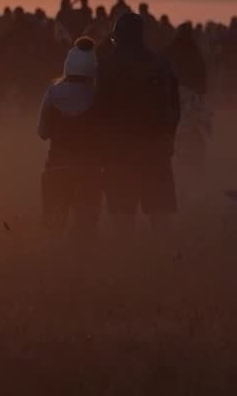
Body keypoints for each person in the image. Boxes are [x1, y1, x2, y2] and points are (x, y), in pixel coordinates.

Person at [94, 12, 181, 234]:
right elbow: (175, 107)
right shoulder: (162, 64)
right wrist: (167, 137)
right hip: (155, 147)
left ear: (118, 37)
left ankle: (129, 264)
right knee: (159, 215)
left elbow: (99, 109)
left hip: (119, 149)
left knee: (123, 216)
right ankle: (164, 263)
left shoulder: (106, 66)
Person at [37, 38, 103, 238]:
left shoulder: (53, 92)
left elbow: (42, 133)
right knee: (86, 228)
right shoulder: (97, 95)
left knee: (54, 227)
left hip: (57, 165)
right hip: (89, 168)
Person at [168, 22, 213, 172]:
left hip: (179, 95)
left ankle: (185, 158)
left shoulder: (173, 50)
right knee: (193, 127)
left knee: (182, 128)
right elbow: (202, 77)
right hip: (192, 96)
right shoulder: (194, 52)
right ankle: (192, 159)